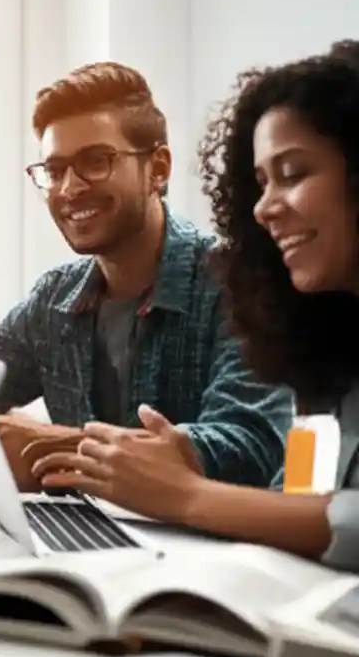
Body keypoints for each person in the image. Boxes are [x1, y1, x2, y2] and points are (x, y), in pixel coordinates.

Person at [33, 46, 359, 570]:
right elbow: (300, 497)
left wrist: (181, 492)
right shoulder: (321, 338)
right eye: (260, 183)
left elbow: (257, 450)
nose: (264, 207)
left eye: (294, 174)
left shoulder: (223, 280)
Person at [0, 62, 292, 492]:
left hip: (205, 548)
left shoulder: (238, 282)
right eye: (54, 171)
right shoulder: (52, 297)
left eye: (95, 161)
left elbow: (250, 445)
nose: (69, 188)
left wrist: (67, 444)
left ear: (158, 169)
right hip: (88, 537)